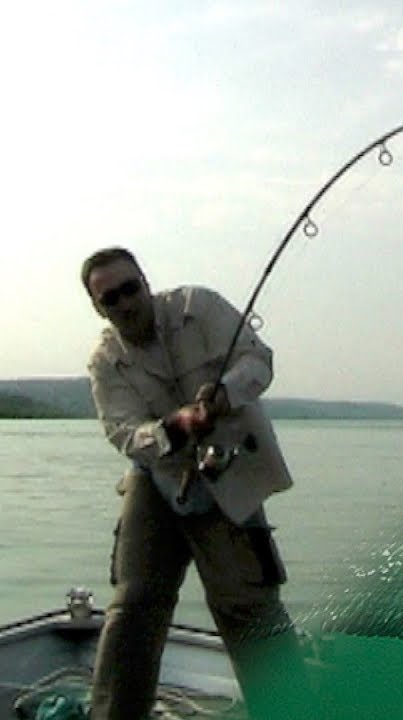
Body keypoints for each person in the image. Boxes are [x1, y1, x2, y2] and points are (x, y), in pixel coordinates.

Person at [82, 247, 305, 719]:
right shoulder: (104, 362)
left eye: (130, 288)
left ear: (146, 282)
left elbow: (258, 360)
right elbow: (122, 431)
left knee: (248, 607)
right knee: (133, 606)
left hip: (228, 469)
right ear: (98, 308)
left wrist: (225, 393)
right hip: (156, 475)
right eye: (109, 298)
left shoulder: (198, 307)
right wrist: (176, 426)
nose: (124, 302)